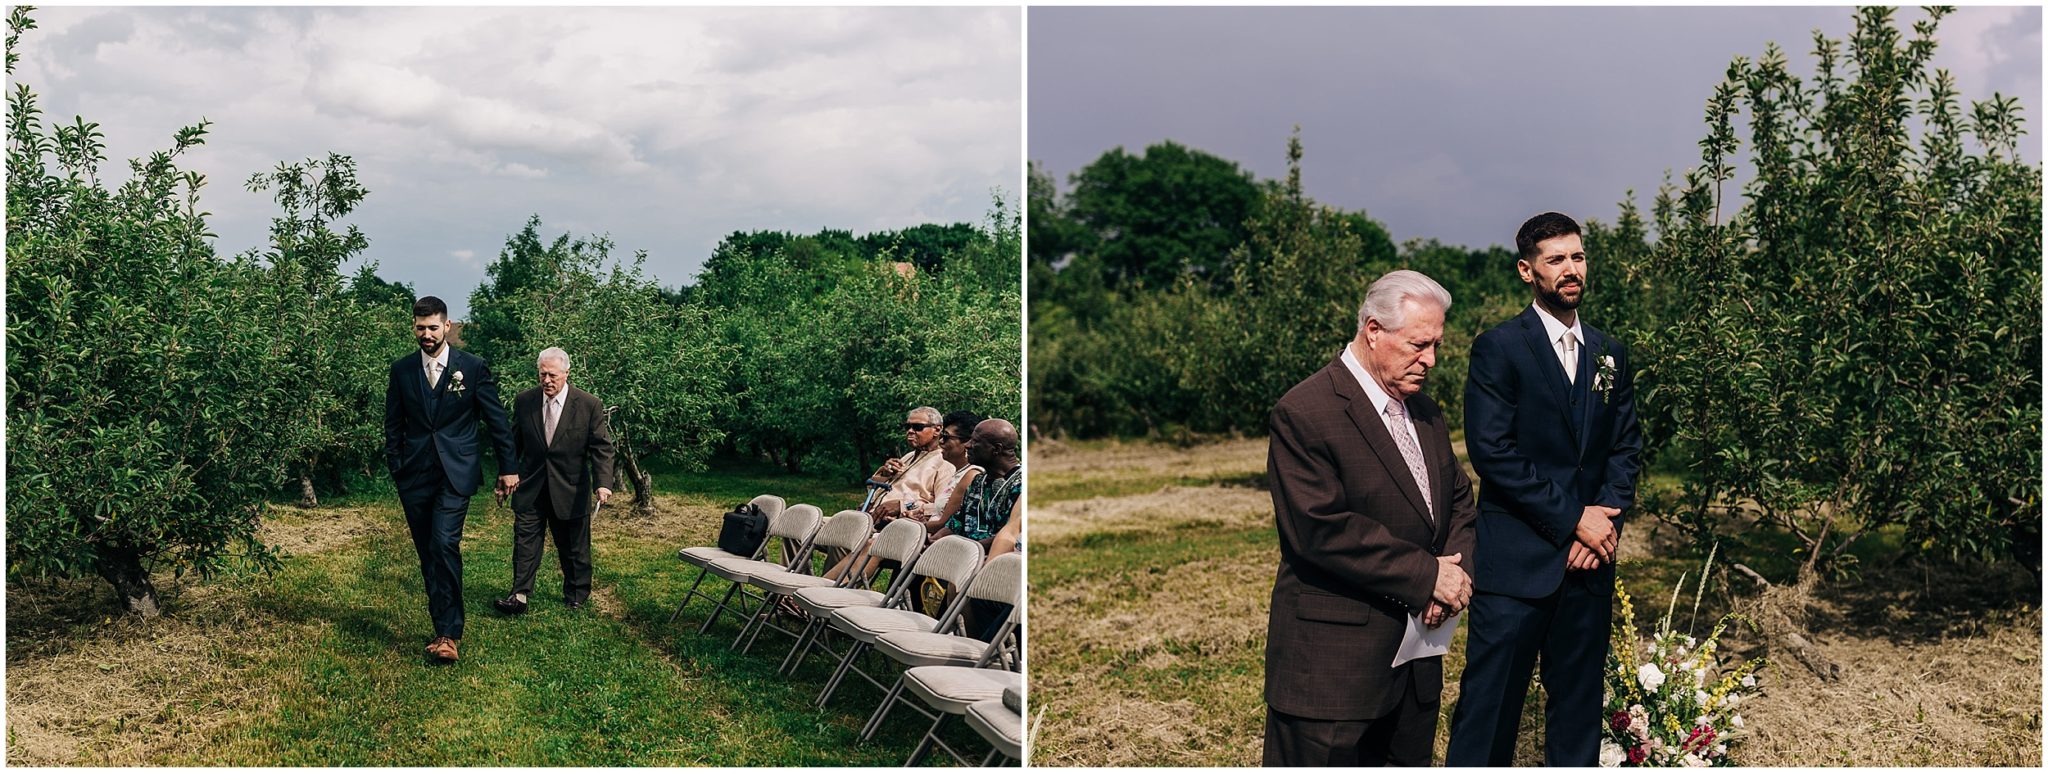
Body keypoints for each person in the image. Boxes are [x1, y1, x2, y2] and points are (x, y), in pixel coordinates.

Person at [1446, 212, 1643, 766]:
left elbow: (1624, 448)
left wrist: (1602, 521)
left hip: (1589, 565)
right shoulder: (1499, 348)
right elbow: (1493, 453)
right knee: (1490, 713)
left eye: (1577, 256)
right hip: (1517, 568)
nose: (1570, 269)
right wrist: (1572, 518)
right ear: (1527, 271)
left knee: (1579, 714)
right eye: (1556, 259)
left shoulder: (1611, 352)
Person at [1261, 270, 1478, 766]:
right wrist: (1427, 577)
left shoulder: (1425, 411)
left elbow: (1460, 501)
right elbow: (1321, 529)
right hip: (1333, 673)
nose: (1431, 360)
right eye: (1419, 344)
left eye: (1437, 345)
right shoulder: (1306, 411)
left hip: (1415, 666)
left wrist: (1456, 577)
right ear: (1374, 330)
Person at [383, 295, 519, 664]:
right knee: (428, 553)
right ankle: (441, 626)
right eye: (419, 328)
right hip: (414, 476)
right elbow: (393, 425)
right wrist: (398, 467)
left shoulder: (471, 368)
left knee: (444, 543)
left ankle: (449, 634)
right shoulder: (402, 370)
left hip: (456, 475)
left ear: (447, 326)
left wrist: (508, 467)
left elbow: (496, 421)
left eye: (432, 327)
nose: (426, 334)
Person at [494, 347, 617, 615]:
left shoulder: (588, 404)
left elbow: (601, 448)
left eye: (552, 375)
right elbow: (513, 444)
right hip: (531, 487)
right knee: (525, 542)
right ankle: (519, 594)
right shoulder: (525, 401)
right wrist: (504, 476)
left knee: (574, 547)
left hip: (570, 488)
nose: (547, 381)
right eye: (542, 375)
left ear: (566, 374)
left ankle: (576, 594)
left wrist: (603, 482)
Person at [866, 407, 956, 523]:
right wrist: (884, 473)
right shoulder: (908, 456)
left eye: (917, 427)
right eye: (907, 427)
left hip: (900, 528)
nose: (910, 431)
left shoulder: (945, 462)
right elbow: (873, 489)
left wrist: (902, 506)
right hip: (870, 518)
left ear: (937, 430)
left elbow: (944, 507)